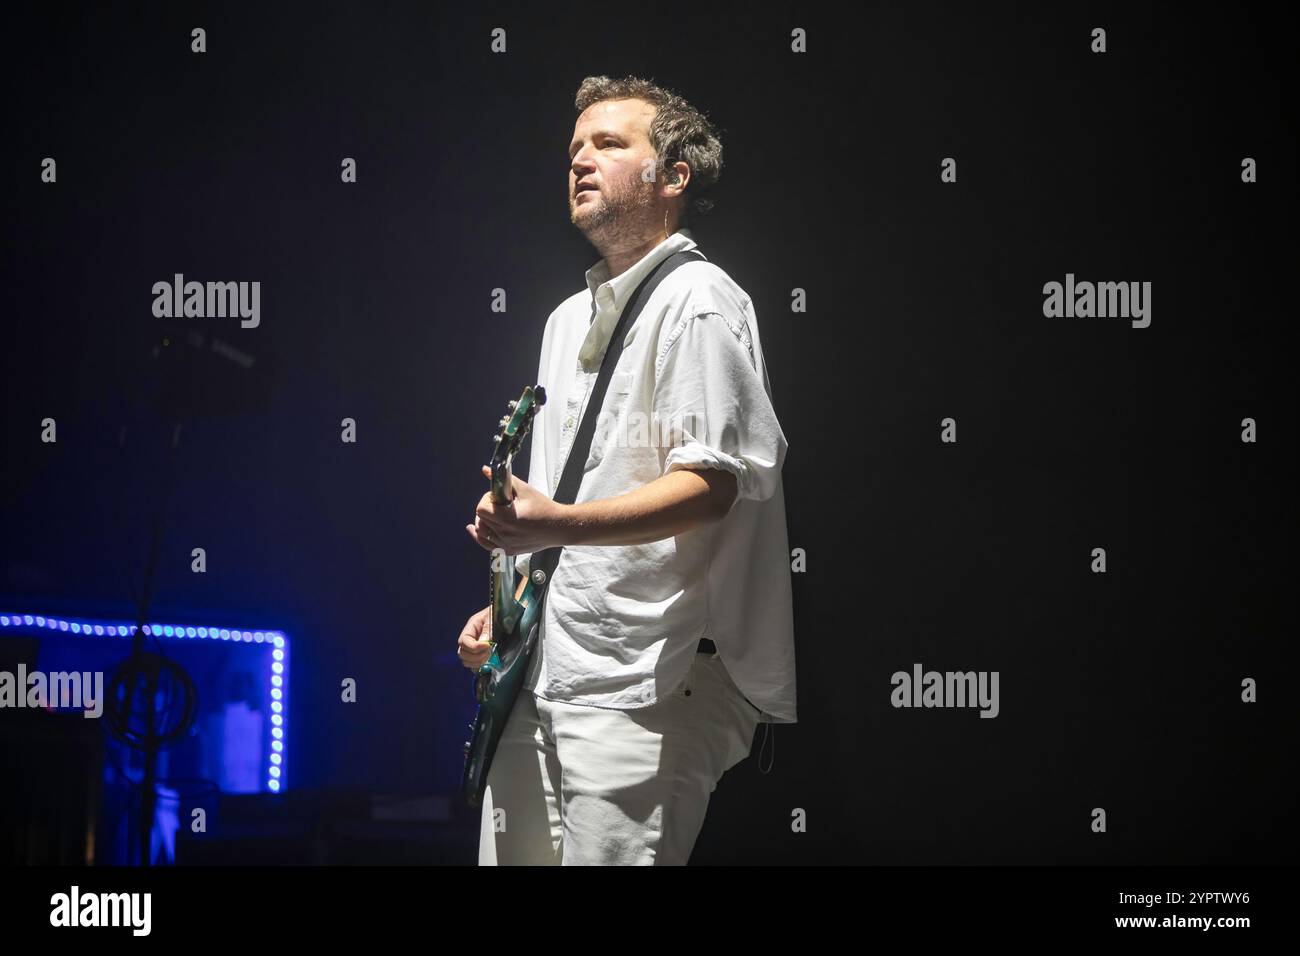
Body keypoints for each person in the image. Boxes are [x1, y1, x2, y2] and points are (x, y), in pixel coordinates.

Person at [456, 75, 795, 865]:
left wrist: (554, 524)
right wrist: (508, 614)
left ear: (673, 176)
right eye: (574, 147)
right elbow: (555, 502)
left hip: (652, 681)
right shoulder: (564, 319)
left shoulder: (701, 300)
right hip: (547, 671)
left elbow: (711, 484)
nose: (581, 160)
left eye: (609, 144)